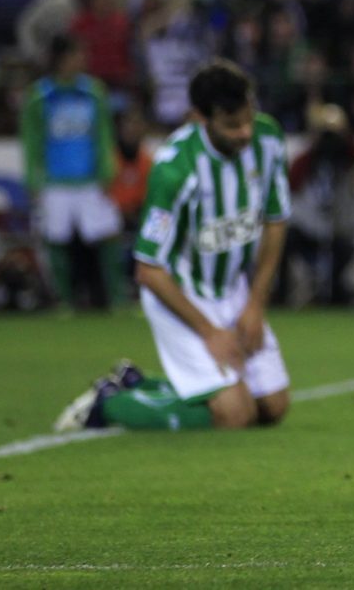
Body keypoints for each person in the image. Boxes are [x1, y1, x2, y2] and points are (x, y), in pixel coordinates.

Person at [54, 60, 292, 433]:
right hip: (180, 296)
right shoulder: (174, 170)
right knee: (235, 415)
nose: (245, 132)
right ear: (199, 118)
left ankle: (140, 383)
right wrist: (210, 332)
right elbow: (148, 269)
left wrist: (255, 305)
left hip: (232, 290)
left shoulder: (268, 139)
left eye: (249, 118)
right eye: (232, 126)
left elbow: (275, 221)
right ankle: (111, 403)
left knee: (272, 407)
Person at [22, 35, 122, 309]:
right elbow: (32, 140)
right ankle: (63, 300)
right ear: (62, 59)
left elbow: (103, 133)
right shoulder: (40, 95)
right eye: (77, 54)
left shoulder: (93, 92)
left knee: (107, 234)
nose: (83, 60)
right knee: (56, 238)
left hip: (90, 177)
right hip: (55, 180)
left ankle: (116, 297)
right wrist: (33, 176)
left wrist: (106, 168)